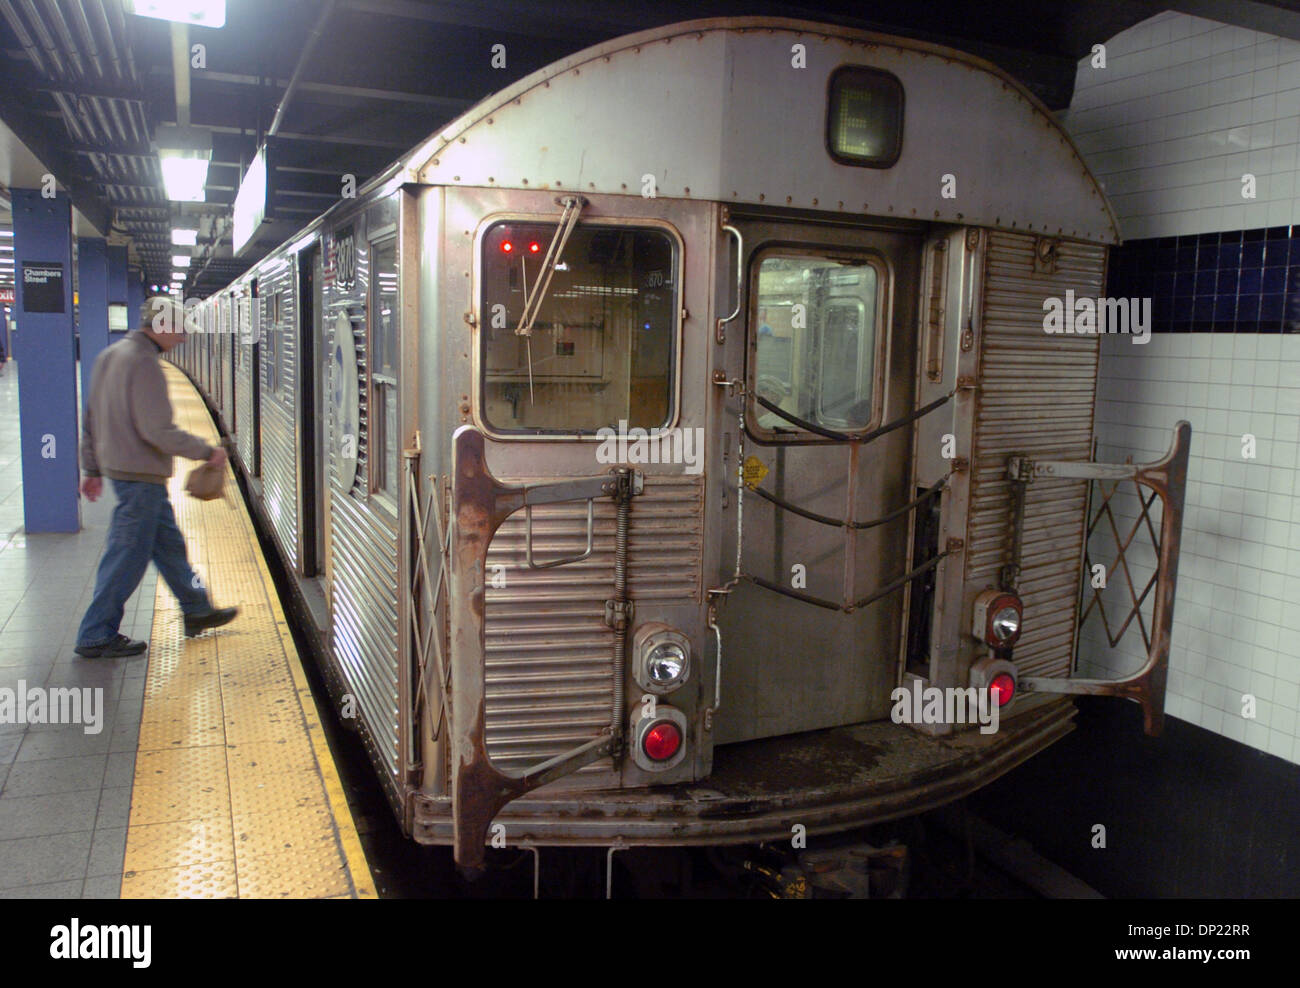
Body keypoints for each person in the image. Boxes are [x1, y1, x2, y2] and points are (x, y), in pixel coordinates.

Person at [75, 298, 238, 658]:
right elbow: (157, 430)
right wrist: (205, 450)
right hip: (140, 475)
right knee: (126, 555)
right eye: (178, 330)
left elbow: (90, 417)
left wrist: (92, 468)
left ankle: (196, 608)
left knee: (168, 547)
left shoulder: (110, 356)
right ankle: (95, 632)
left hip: (125, 471)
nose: (181, 338)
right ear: (161, 327)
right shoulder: (144, 364)